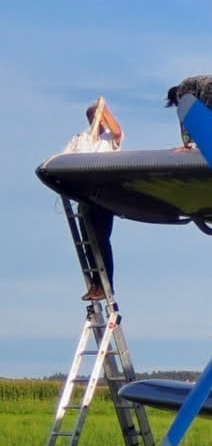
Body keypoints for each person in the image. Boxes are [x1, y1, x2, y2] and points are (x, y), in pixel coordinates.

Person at [63, 97, 122, 299]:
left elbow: (117, 131)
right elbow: (64, 160)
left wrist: (103, 108)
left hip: (103, 196)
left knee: (100, 239)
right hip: (84, 195)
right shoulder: (79, 139)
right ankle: (95, 285)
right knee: (88, 242)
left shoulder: (109, 139)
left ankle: (106, 286)